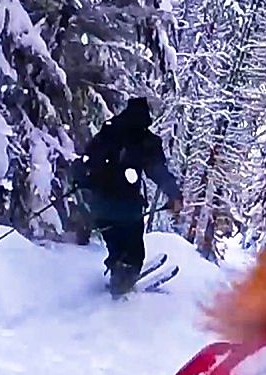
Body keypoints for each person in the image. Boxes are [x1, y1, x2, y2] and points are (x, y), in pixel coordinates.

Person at [73, 97, 183, 295]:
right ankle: (122, 286)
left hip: (101, 206)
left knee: (115, 245)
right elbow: (158, 172)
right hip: (128, 208)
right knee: (134, 252)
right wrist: (174, 195)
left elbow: (87, 161)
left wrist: (81, 181)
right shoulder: (147, 141)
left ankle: (118, 272)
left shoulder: (108, 131)